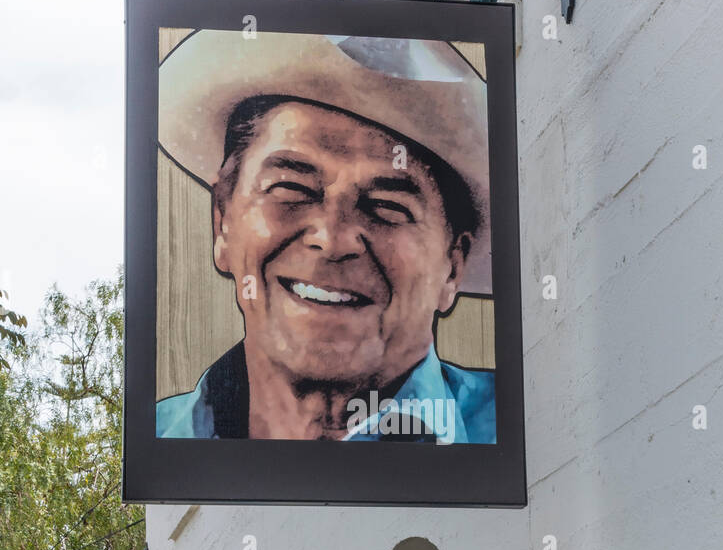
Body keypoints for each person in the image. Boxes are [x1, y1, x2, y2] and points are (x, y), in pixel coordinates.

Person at [156, 31, 496, 444]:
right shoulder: (161, 436)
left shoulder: (532, 432)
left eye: (388, 205)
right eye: (290, 188)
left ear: (452, 268)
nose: (332, 239)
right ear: (222, 220)